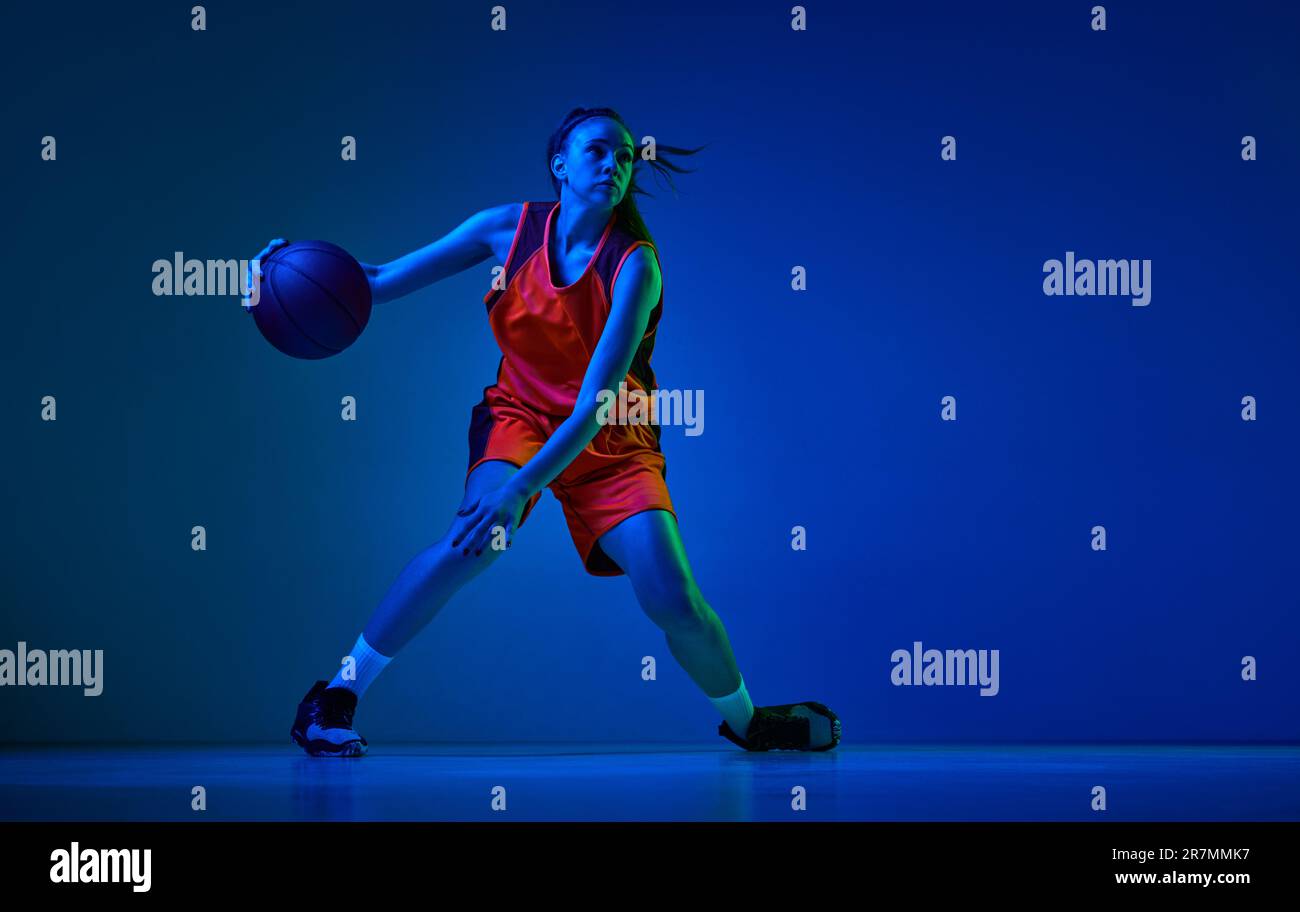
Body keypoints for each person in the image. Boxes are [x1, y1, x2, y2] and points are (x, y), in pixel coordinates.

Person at [262, 107, 840, 756]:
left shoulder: (634, 266)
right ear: (559, 164)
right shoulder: (504, 228)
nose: (614, 165)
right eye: (597, 151)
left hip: (612, 441)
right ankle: (335, 696)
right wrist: (282, 272)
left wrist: (521, 490)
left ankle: (749, 721)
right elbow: (375, 281)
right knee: (472, 543)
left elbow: (596, 404)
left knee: (675, 600)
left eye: (625, 157)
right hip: (522, 418)